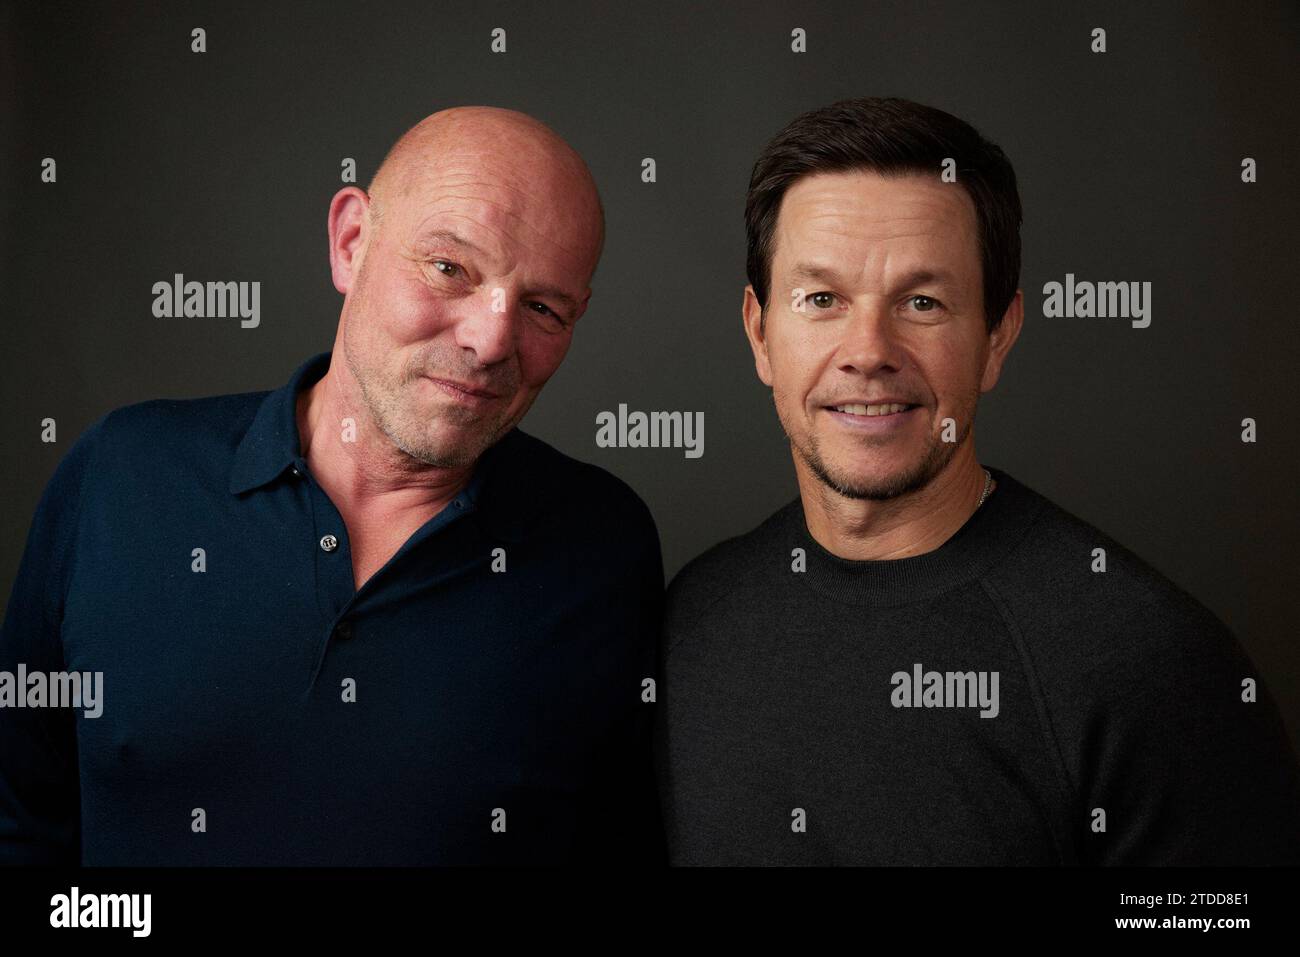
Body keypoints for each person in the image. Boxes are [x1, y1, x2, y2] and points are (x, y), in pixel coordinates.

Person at [0, 106, 664, 865]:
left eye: (544, 308)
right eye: (449, 269)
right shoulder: (120, 476)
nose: (490, 341)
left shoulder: (602, 548)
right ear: (351, 242)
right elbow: (22, 827)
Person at [655, 96, 1300, 865]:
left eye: (922, 302)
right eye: (821, 299)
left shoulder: (1153, 666)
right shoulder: (693, 619)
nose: (869, 350)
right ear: (761, 333)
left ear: (998, 336)